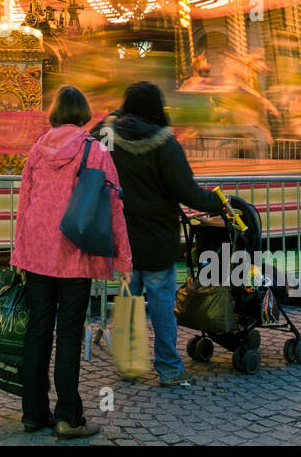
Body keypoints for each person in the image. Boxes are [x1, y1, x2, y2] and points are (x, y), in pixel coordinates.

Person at [10, 86, 132, 440]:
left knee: (37, 332)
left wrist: (19, 251)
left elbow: (25, 202)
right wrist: (123, 258)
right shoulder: (95, 151)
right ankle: (68, 417)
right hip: (74, 254)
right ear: (83, 114)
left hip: (36, 253)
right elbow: (113, 206)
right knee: (67, 336)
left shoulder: (37, 149)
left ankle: (33, 413)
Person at [91, 81, 228, 388]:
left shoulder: (108, 133)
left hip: (122, 236)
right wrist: (216, 202)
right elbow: (186, 191)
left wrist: (117, 115)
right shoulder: (165, 144)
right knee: (163, 304)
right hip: (157, 238)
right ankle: (168, 367)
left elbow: (92, 139)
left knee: (128, 301)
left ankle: (129, 365)